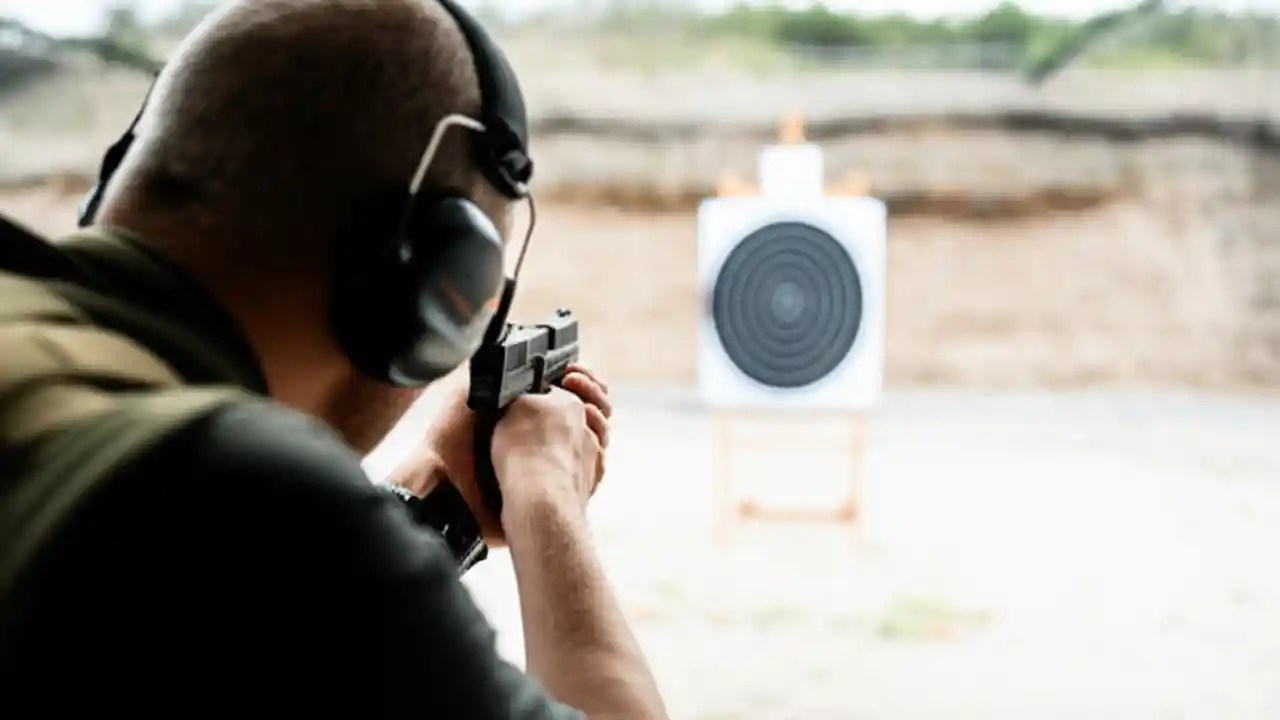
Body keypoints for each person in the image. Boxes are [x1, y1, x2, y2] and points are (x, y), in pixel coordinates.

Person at [0, 1, 667, 718]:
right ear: (430, 295)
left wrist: (426, 498)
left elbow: (246, 629)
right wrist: (546, 491)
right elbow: (269, 549)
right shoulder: (245, 498)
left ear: (123, 167)